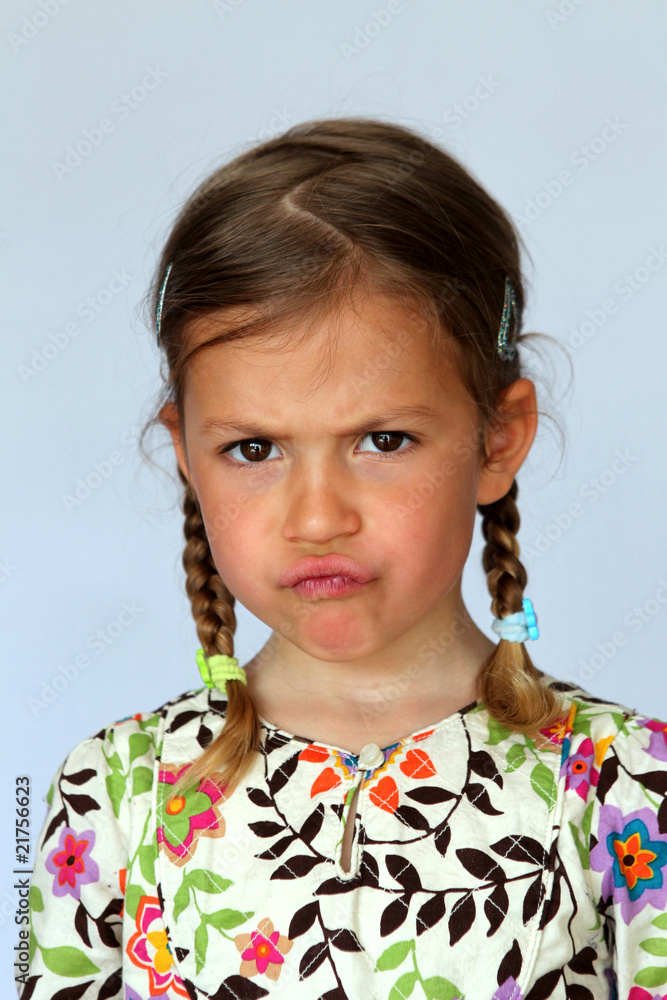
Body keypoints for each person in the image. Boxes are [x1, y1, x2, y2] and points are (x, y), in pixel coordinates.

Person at [19, 117, 667, 1000]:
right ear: (185, 451)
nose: (317, 517)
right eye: (253, 449)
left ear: (496, 439)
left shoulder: (626, 790)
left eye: (382, 440)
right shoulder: (114, 795)